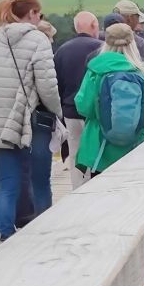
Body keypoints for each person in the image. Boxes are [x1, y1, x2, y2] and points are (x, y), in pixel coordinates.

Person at [0, 0, 62, 241]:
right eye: (39, 14)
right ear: (31, 14)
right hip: (30, 120)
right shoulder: (38, 40)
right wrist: (56, 112)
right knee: (40, 179)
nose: (40, 18)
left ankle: (6, 233)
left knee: (8, 182)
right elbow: (47, 86)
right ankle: (43, 230)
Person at [73, 23, 144, 178]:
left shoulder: (96, 72)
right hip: (138, 149)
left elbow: (83, 106)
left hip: (102, 152)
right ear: (132, 44)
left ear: (106, 43)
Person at [54, 11, 102, 187]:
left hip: (70, 112)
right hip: (94, 113)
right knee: (96, 153)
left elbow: (56, 84)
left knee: (75, 153)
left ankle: (77, 191)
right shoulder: (101, 48)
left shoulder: (62, 50)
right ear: (94, 25)